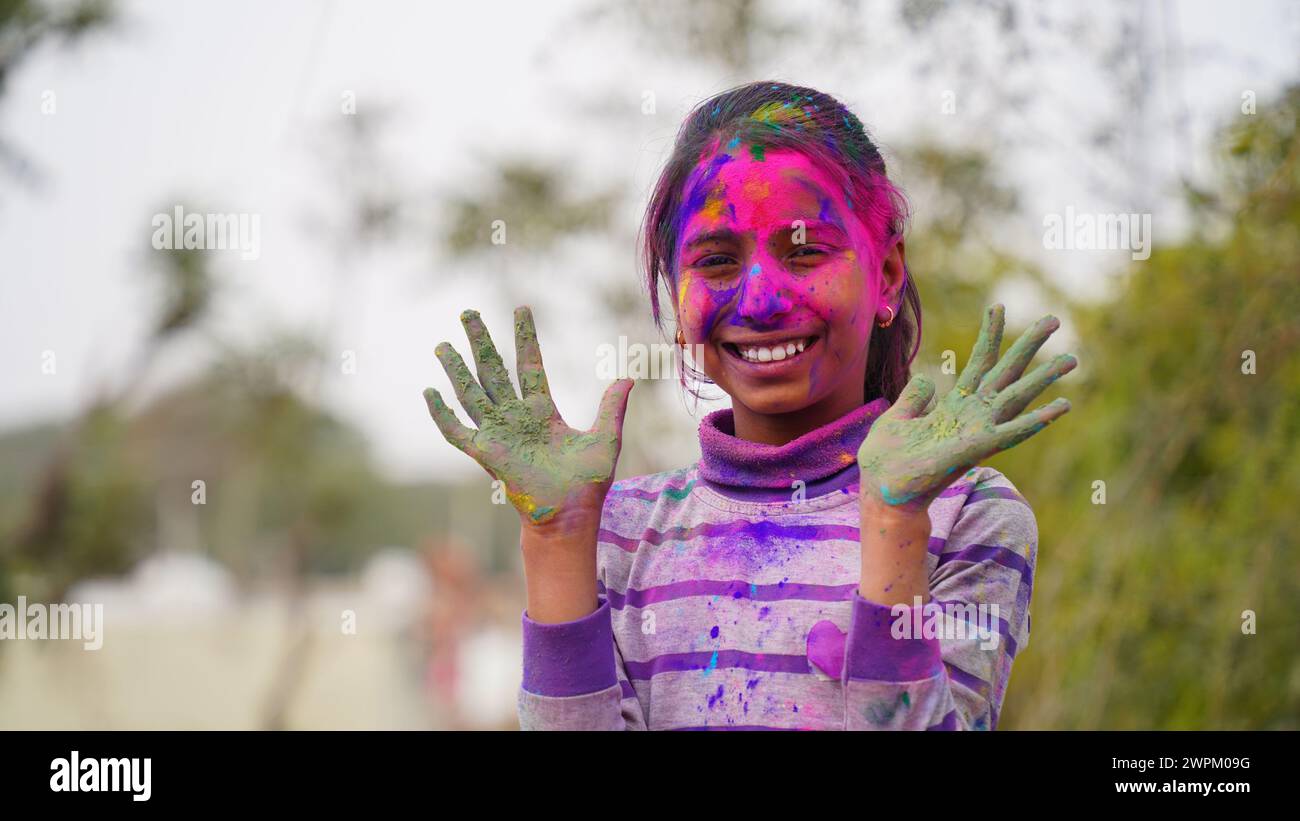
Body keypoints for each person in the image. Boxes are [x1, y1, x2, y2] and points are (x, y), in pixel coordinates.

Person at [422, 81, 1076, 730]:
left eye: (804, 252)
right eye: (716, 262)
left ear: (886, 274)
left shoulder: (969, 514)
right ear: (674, 297)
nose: (760, 300)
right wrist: (556, 543)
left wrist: (895, 525)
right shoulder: (617, 532)